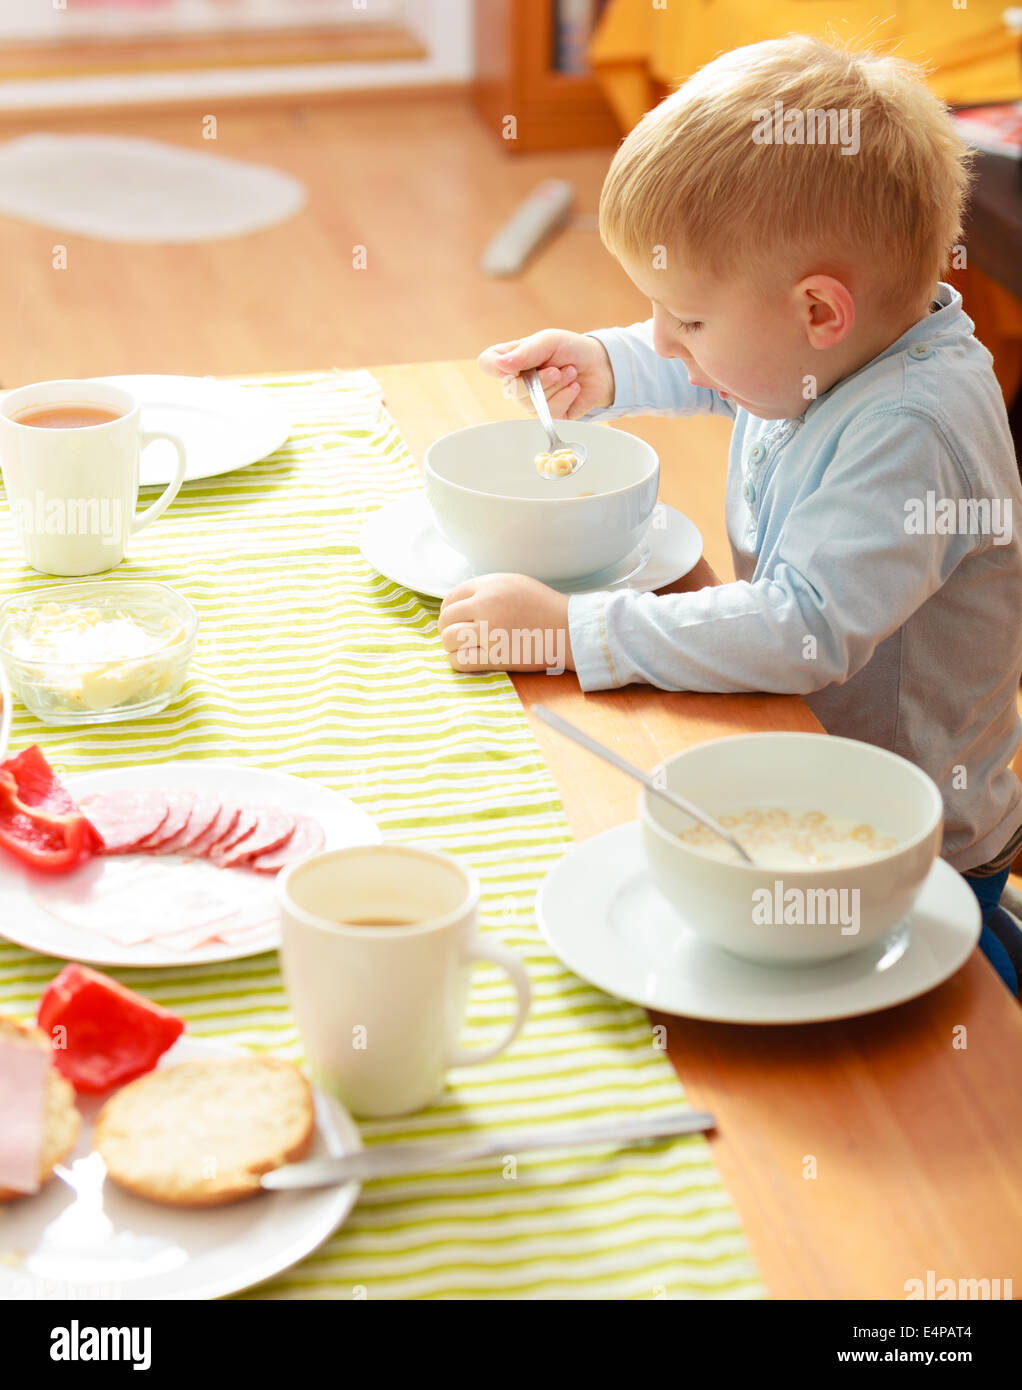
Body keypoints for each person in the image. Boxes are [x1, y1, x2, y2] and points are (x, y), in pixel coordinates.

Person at [438, 35, 1022, 995]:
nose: (670, 338)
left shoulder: (912, 429)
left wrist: (571, 630)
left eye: (687, 321)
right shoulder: (830, 354)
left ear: (818, 313)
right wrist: (612, 361)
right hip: (804, 759)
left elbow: (799, 630)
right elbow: (744, 378)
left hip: (908, 852)